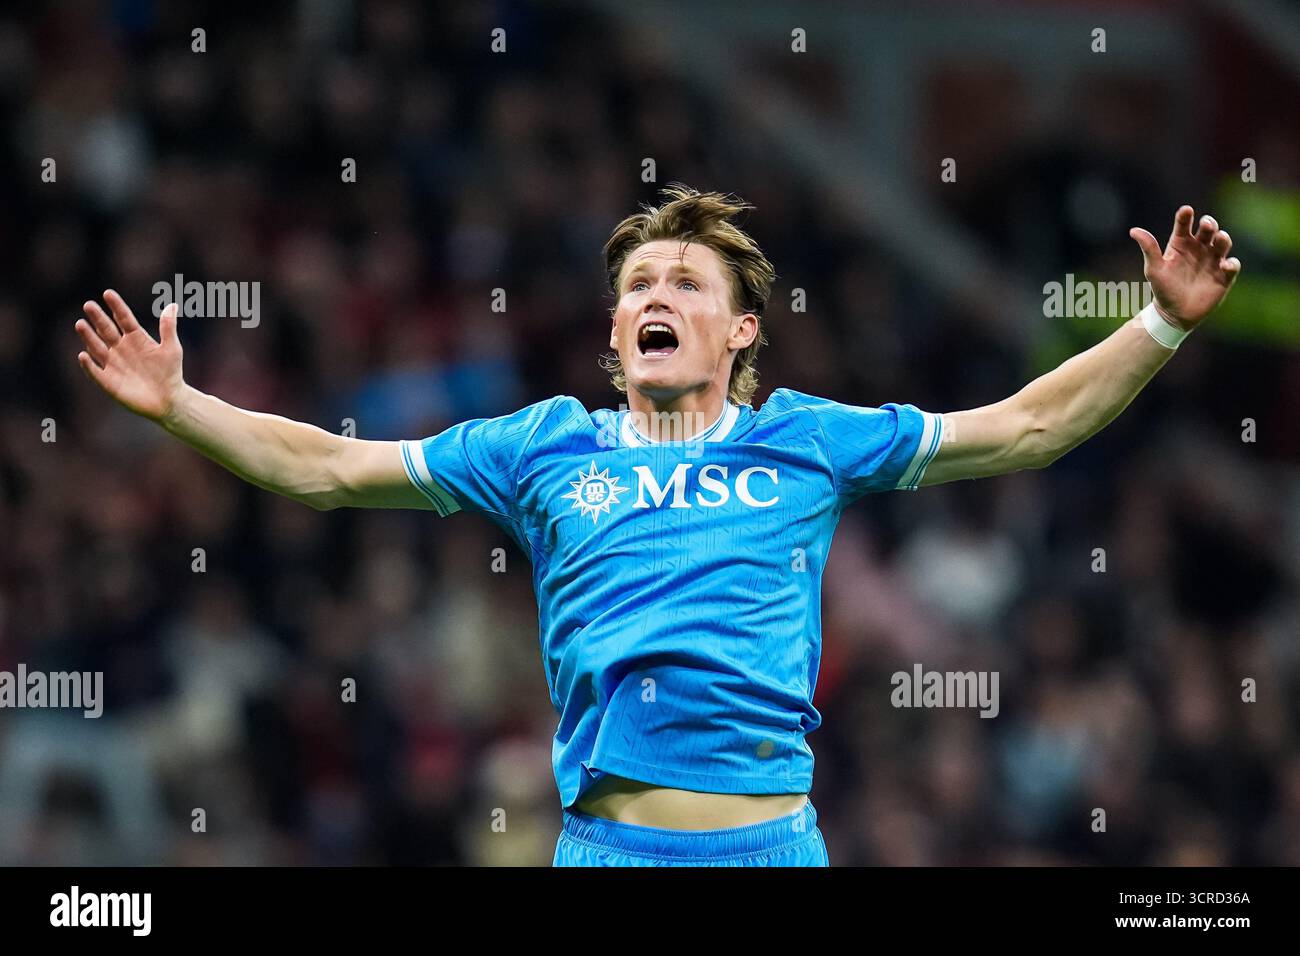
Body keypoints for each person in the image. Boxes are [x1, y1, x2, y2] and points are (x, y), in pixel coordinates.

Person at [74, 185, 1241, 866]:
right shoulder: (541, 448)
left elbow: (1027, 426)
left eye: (686, 284)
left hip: (771, 845)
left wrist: (1160, 329)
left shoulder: (806, 439)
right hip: (607, 850)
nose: (655, 299)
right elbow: (327, 467)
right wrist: (181, 404)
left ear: (740, 334)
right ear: (612, 331)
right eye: (638, 286)